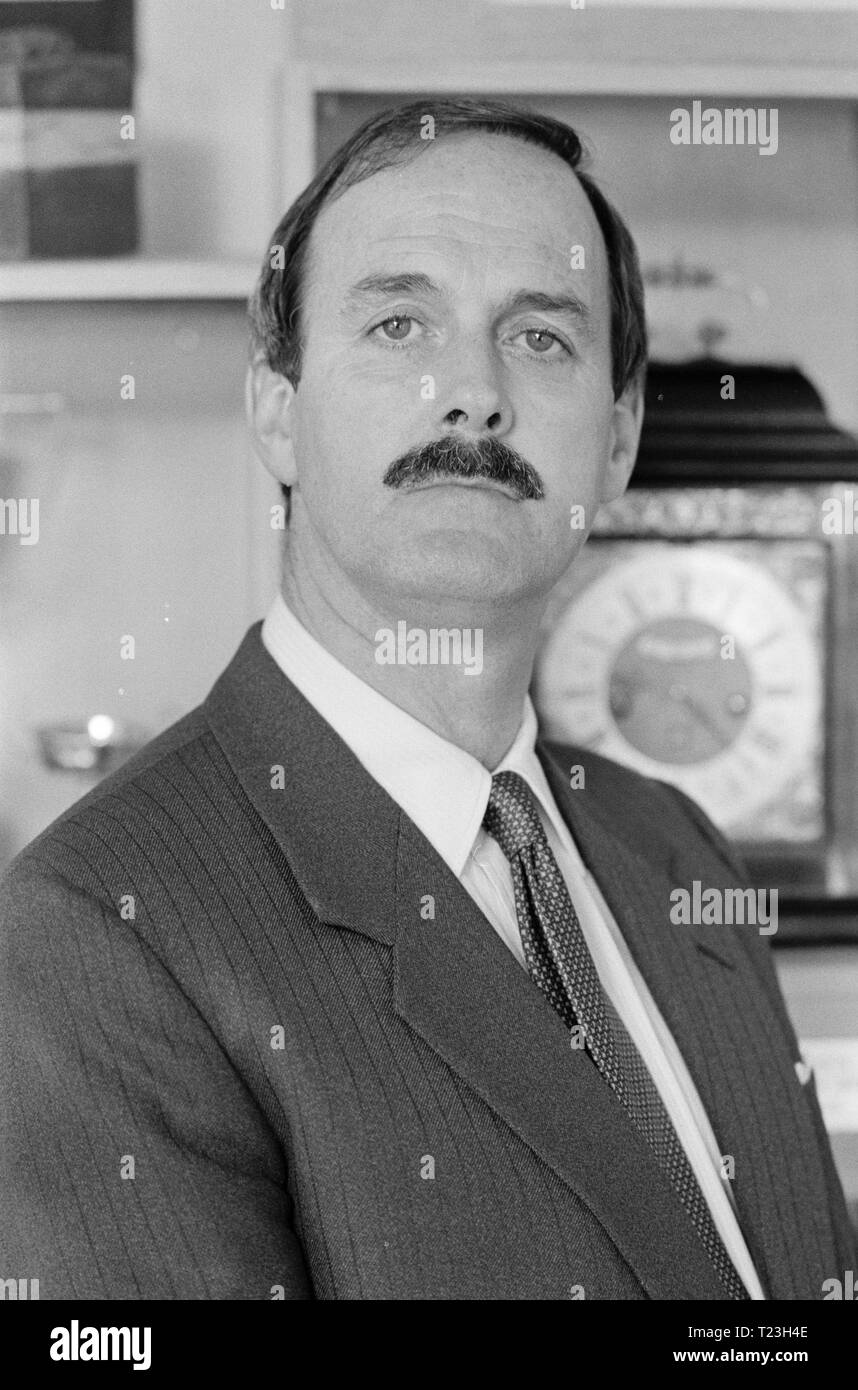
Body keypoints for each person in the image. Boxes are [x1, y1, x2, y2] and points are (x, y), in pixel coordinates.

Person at [0, 98, 853, 1301]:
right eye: (401, 323)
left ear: (617, 441)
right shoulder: (97, 933)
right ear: (278, 412)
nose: (474, 395)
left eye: (542, 338)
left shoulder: (675, 849)